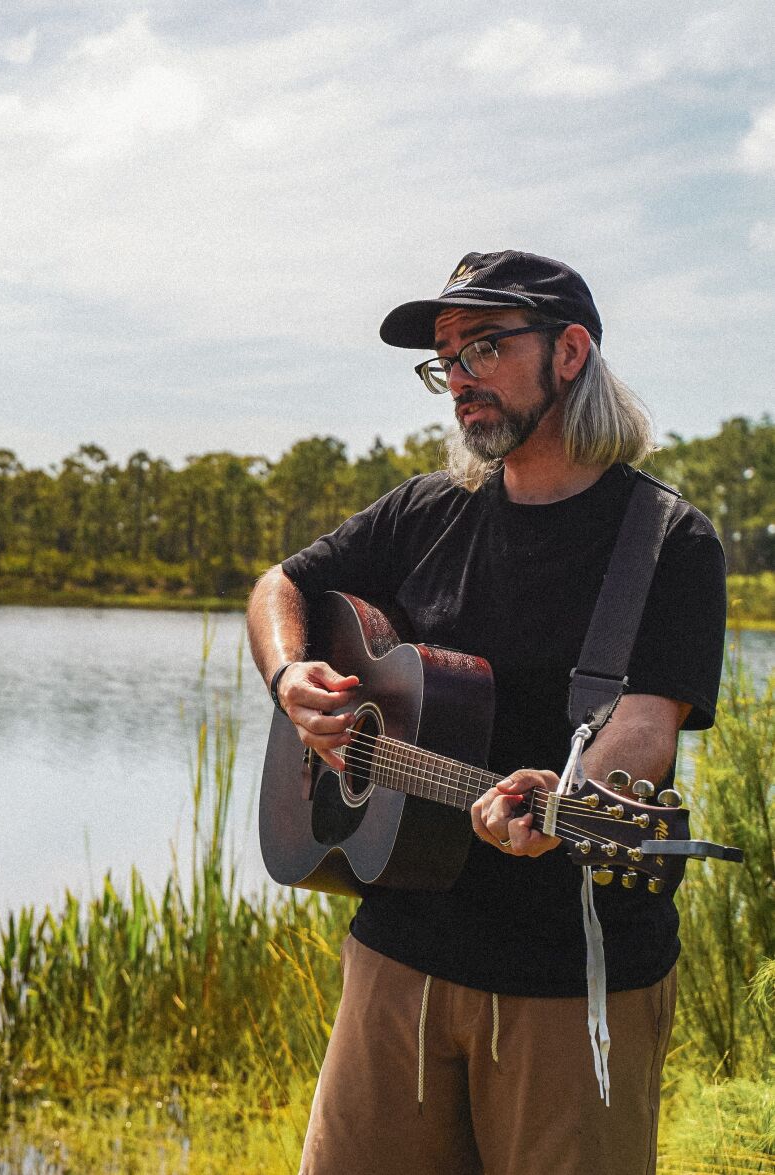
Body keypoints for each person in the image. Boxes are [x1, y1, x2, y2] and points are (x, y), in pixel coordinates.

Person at [246, 250, 726, 1175]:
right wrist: (290, 679)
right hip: (396, 957)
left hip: (567, 981)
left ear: (570, 351)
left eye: (483, 349)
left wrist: (567, 795)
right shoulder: (426, 511)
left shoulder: (666, 539)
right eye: (445, 361)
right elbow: (283, 585)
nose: (457, 381)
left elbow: (645, 727)